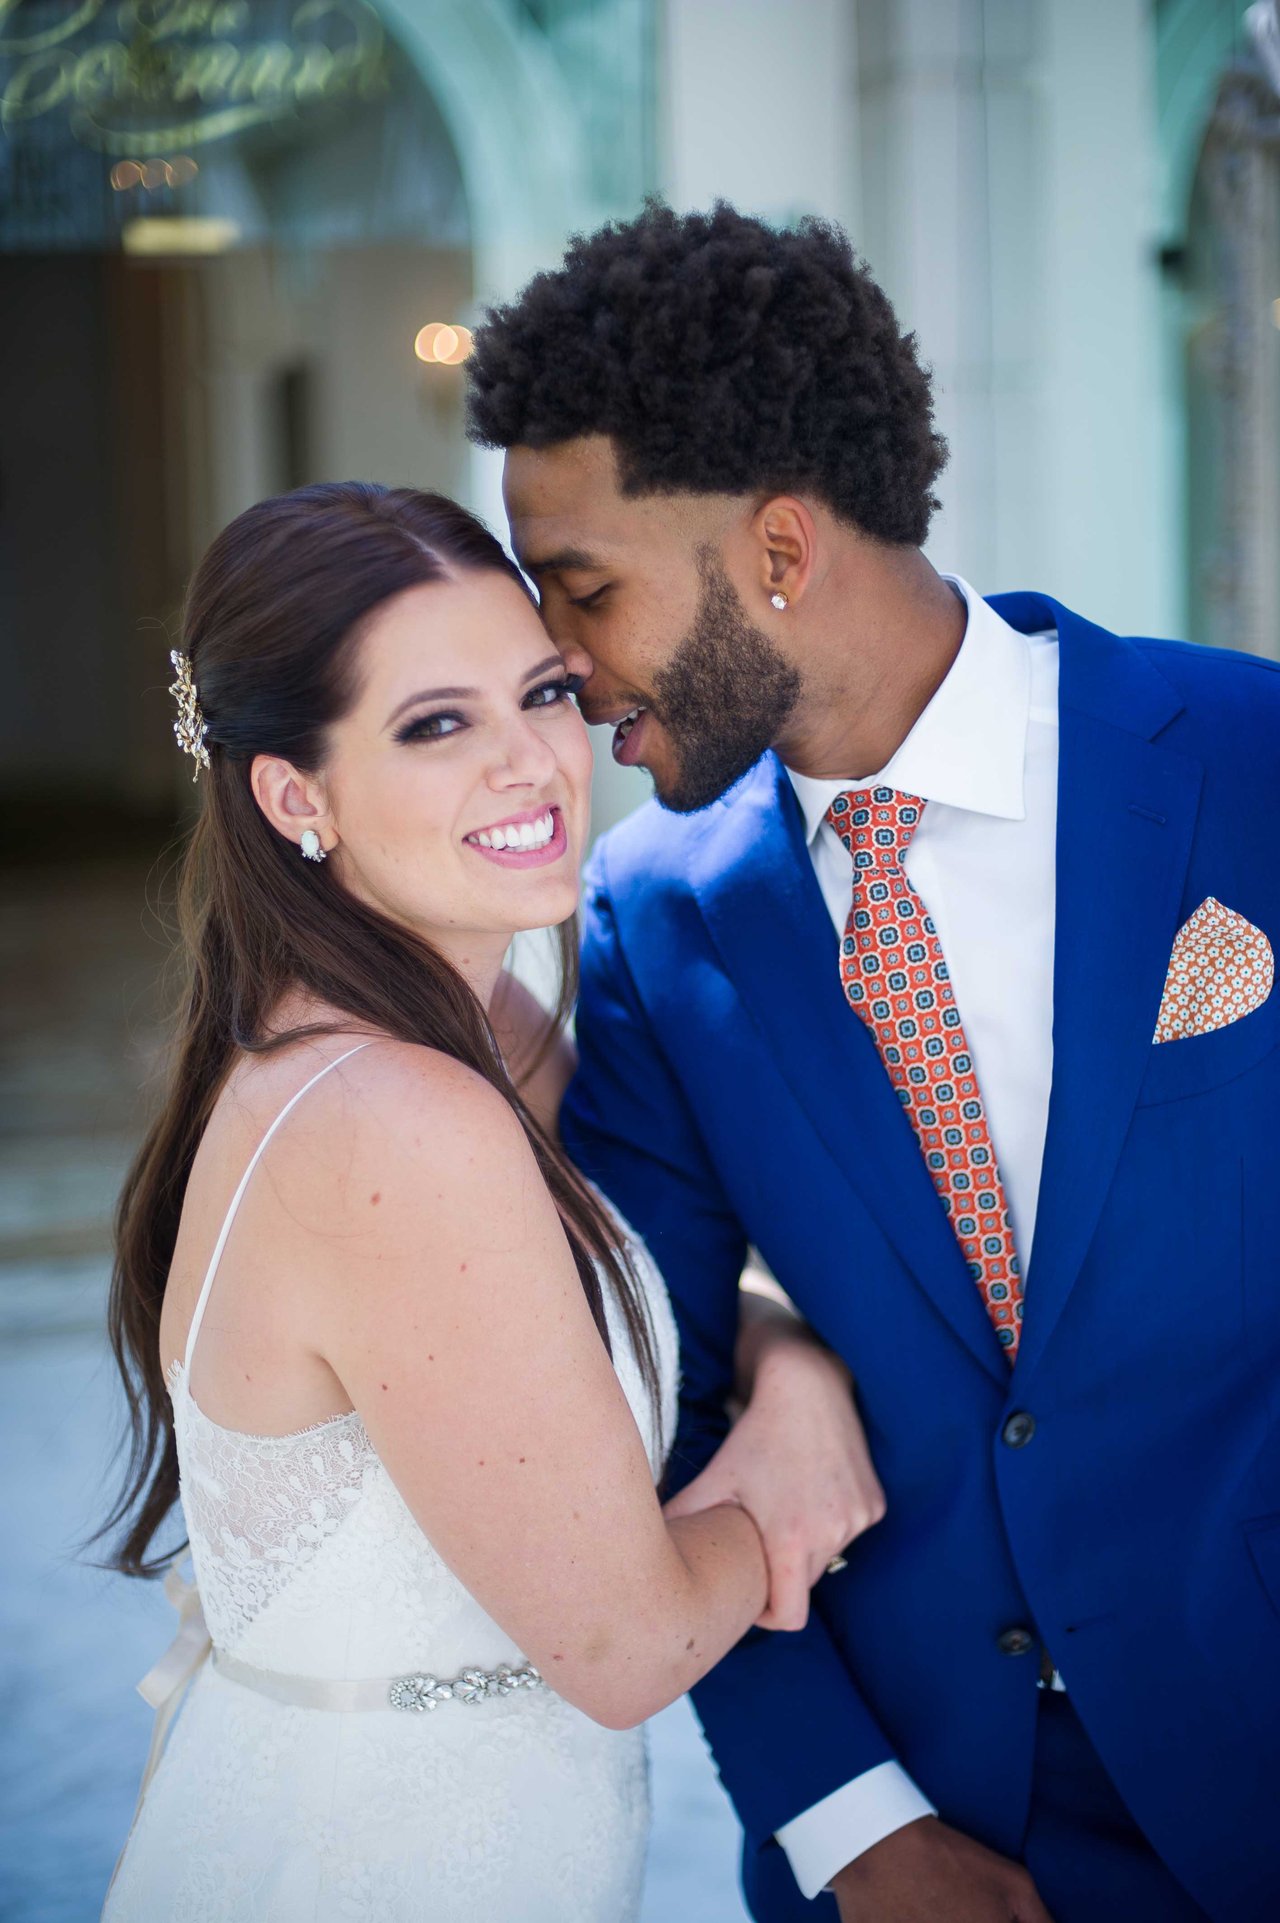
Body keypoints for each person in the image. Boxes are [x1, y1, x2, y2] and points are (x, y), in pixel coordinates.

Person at [467, 201, 1280, 1923]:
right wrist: (851, 1826)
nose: (558, 658)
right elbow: (647, 1394)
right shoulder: (647, 917)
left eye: (585, 588)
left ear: (776, 549)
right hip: (922, 1824)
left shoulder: (1251, 763)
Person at [99, 481, 878, 1922]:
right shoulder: (394, 1118)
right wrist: (787, 1456)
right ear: (293, 794)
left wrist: (781, 1342)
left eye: (538, 693)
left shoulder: (487, 1031)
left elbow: (681, 1244)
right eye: (437, 725)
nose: (534, 764)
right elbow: (628, 1644)